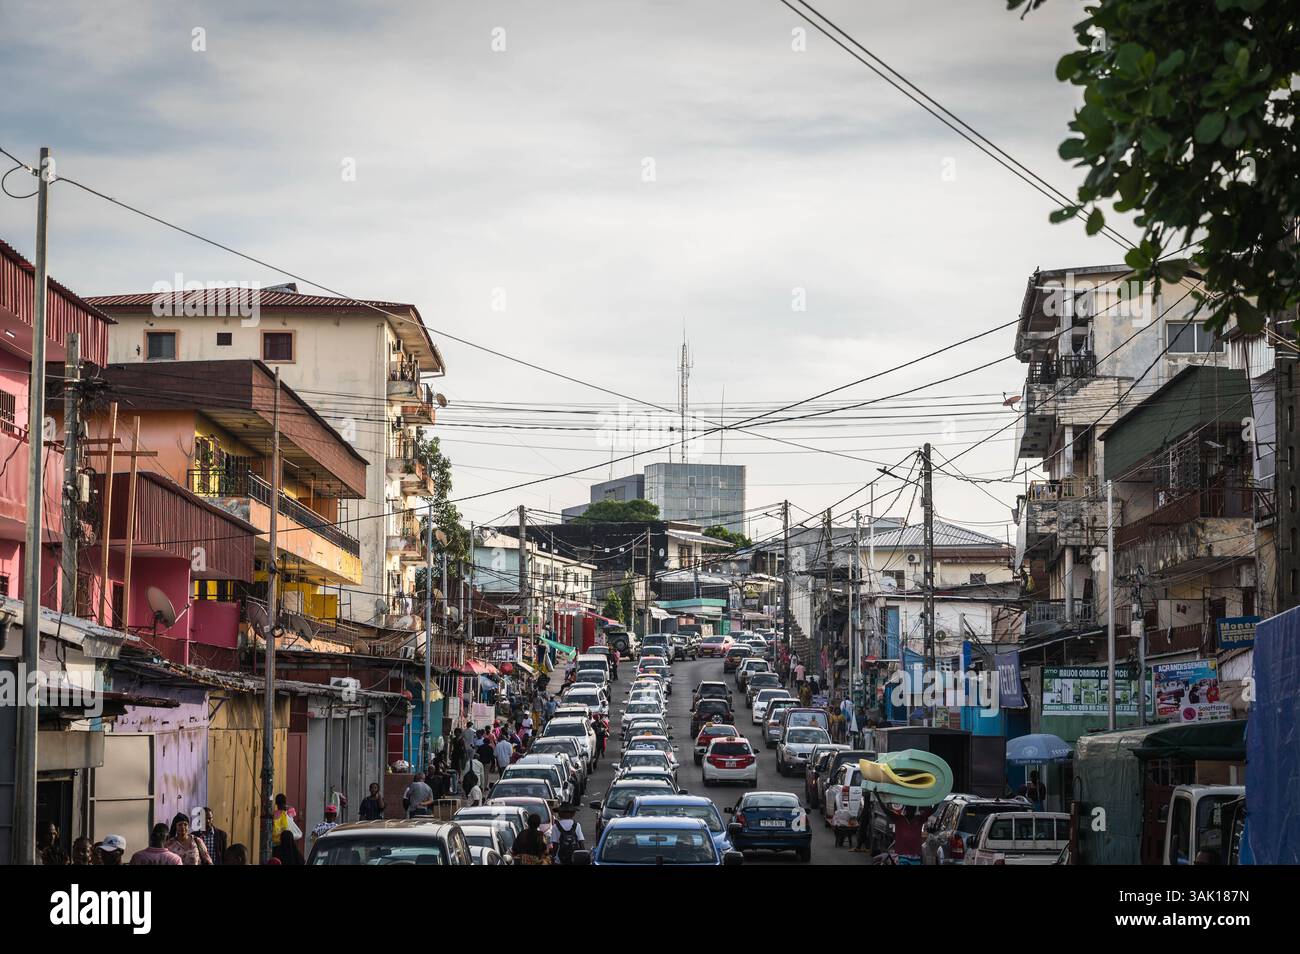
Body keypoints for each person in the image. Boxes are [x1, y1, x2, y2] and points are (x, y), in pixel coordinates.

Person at [875, 794, 932, 866]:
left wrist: (938, 799)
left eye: (912, 809)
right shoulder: (899, 819)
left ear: (914, 811)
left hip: (915, 855)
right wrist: (878, 798)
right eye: (909, 809)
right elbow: (886, 811)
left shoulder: (919, 819)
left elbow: (932, 811)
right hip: (901, 855)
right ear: (906, 810)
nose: (910, 811)